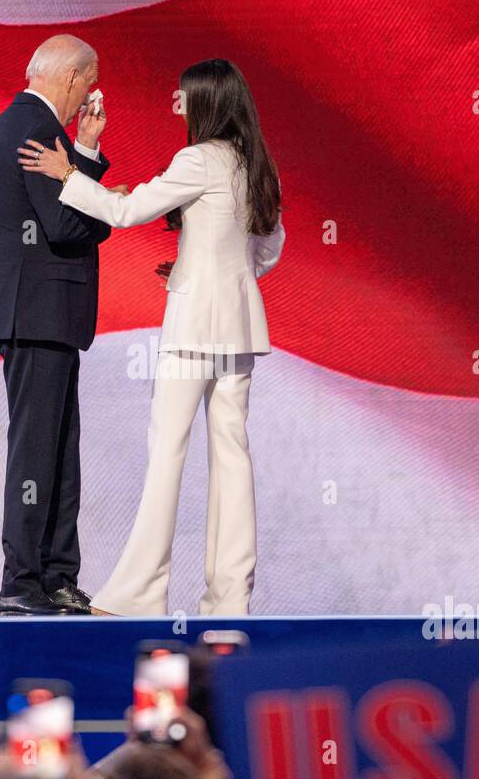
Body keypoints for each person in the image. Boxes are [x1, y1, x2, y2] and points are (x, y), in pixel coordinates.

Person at [19, 59, 284, 616]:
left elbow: (129, 208)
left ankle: (139, 594)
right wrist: (204, 268)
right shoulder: (253, 162)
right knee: (232, 457)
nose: (177, 101)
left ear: (207, 102)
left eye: (185, 95)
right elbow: (266, 246)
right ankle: (229, 600)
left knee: (167, 452)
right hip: (238, 326)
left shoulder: (199, 158)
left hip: (193, 330)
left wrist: (68, 176)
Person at [0, 34, 112, 616]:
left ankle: (56, 578)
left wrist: (83, 152)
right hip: (37, 313)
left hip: (41, 315)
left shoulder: (16, 124)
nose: (91, 94)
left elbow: (59, 209)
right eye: (90, 81)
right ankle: (22, 583)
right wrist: (109, 211)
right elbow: (65, 226)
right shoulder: (35, 130)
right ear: (71, 77)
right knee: (37, 453)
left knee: (60, 450)